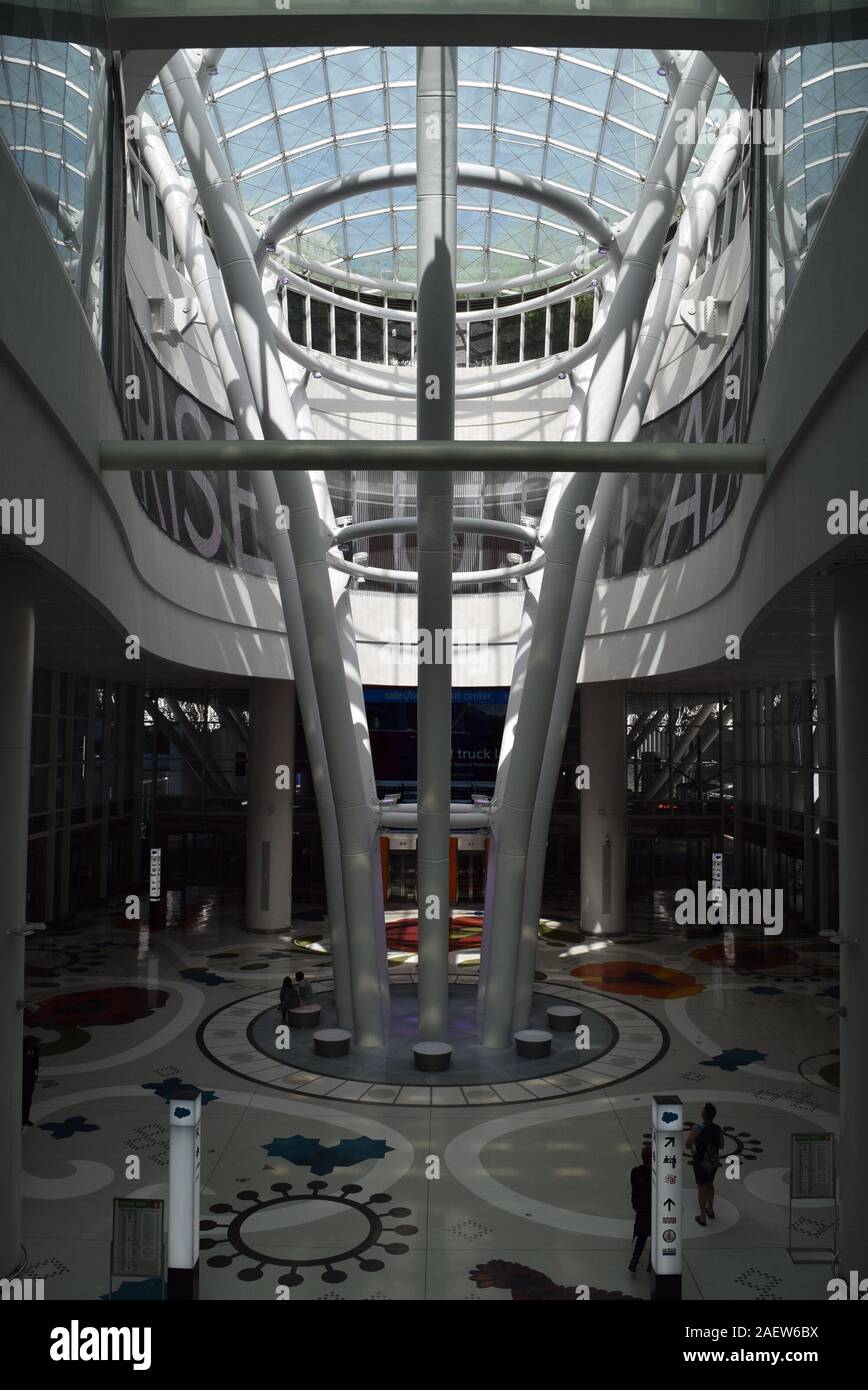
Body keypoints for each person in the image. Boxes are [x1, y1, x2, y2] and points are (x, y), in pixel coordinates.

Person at [686, 1102, 723, 1226]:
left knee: (702, 1188)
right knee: (710, 1184)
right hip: (713, 1162)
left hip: (700, 1162)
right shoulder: (718, 1129)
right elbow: (722, 1145)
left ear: (703, 1114)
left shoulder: (698, 1128)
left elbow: (688, 1143)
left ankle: (702, 1216)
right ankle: (710, 1209)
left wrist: (697, 1147)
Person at [628, 1143, 653, 1273]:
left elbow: (634, 1189)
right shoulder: (657, 1174)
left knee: (642, 1237)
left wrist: (635, 1204)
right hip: (654, 1210)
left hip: (642, 1208)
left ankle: (635, 1260)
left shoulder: (636, 1171)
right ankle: (651, 1263)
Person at [22, 1036, 39, 1127]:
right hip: (23, 1078)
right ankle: (22, 1118)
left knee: (28, 1099)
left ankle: (25, 1119)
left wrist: (36, 1074)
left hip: (31, 1078)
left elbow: (36, 1062)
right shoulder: (22, 1050)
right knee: (23, 1099)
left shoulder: (35, 1050)